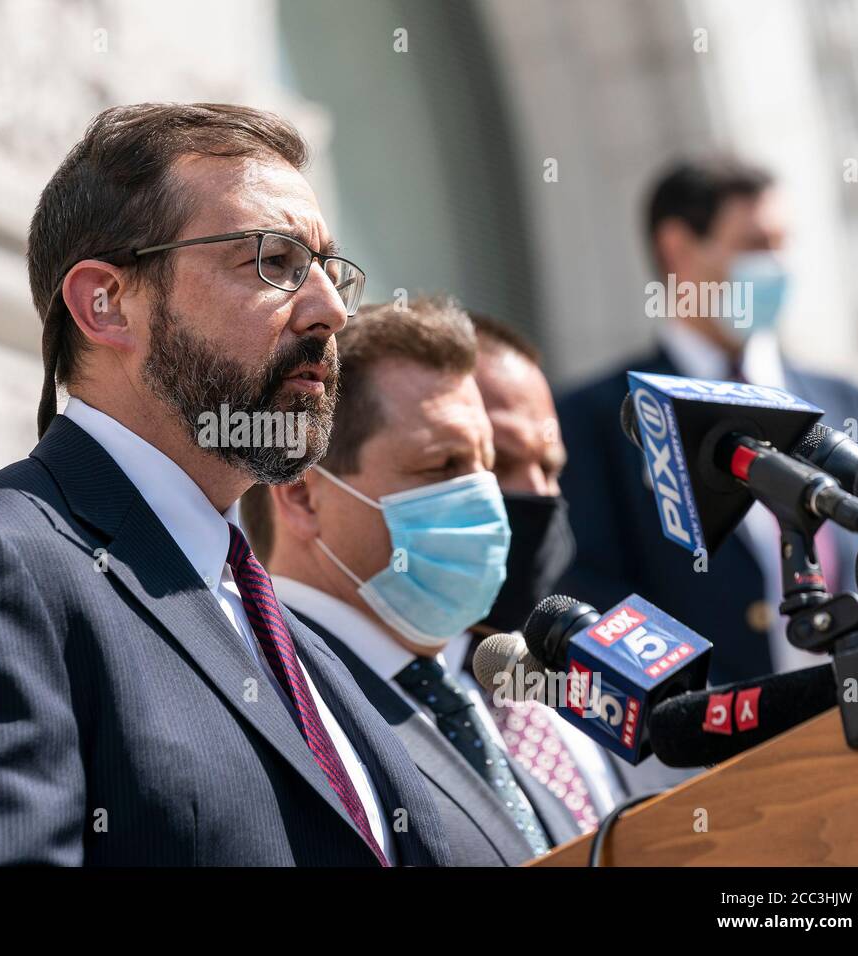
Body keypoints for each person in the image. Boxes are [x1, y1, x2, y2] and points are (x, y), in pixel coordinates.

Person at [0, 102, 470, 866]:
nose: (331, 310)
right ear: (104, 305)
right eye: (273, 261)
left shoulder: (289, 639)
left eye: (329, 269)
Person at [240, 297, 627, 861]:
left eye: (484, 464)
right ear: (302, 494)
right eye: (442, 467)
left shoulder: (484, 686)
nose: (489, 499)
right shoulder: (270, 700)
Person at [558, 157, 858, 686]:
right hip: (716, 749)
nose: (778, 265)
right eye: (754, 244)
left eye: (782, 242)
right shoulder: (597, 422)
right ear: (677, 249)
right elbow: (588, 591)